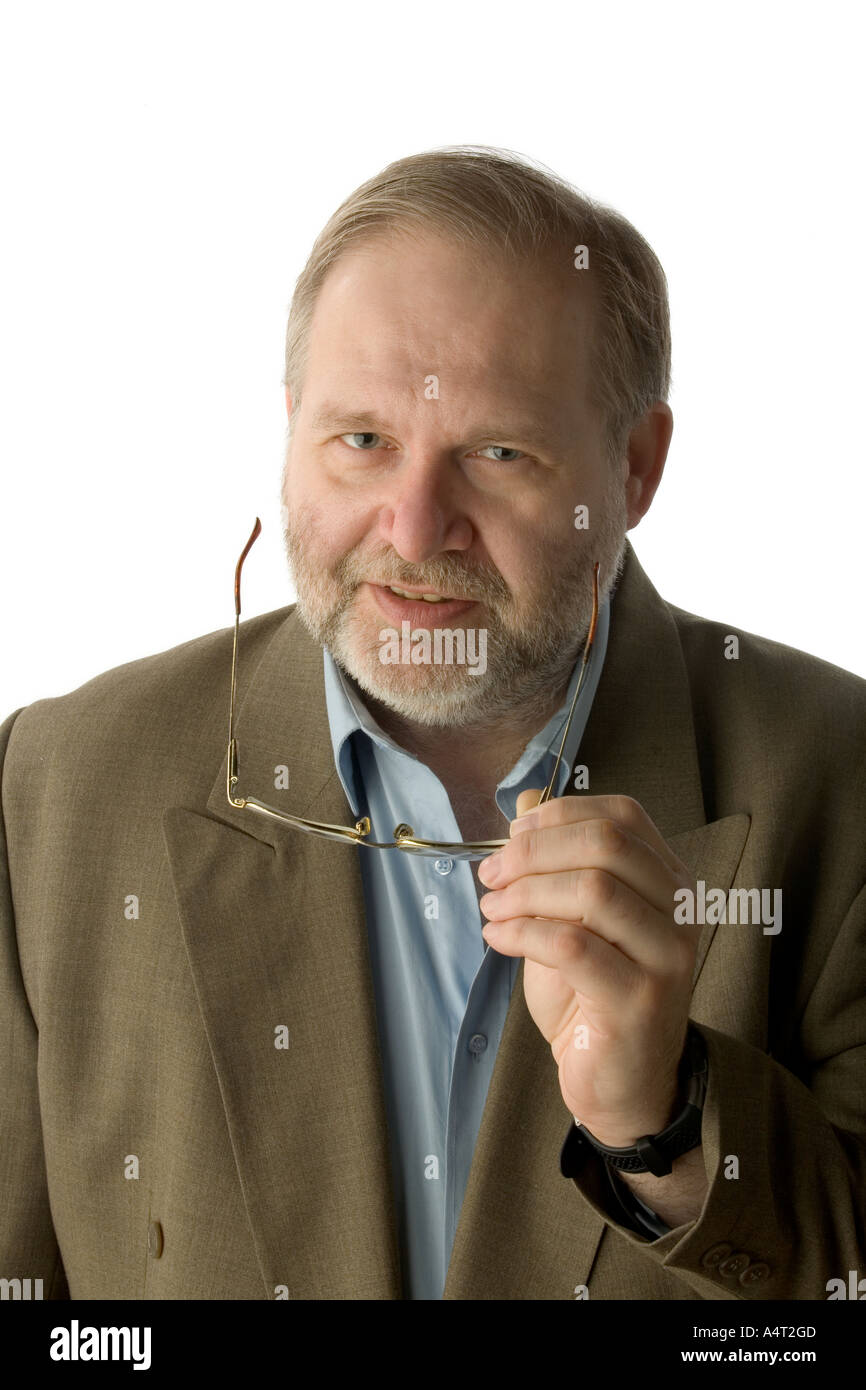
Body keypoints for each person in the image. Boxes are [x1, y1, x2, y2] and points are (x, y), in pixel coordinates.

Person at [1, 146, 863, 1302]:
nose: (411, 530)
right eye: (359, 441)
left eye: (496, 454)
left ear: (635, 468)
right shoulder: (52, 786)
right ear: (291, 424)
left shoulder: (841, 786)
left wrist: (661, 1124)